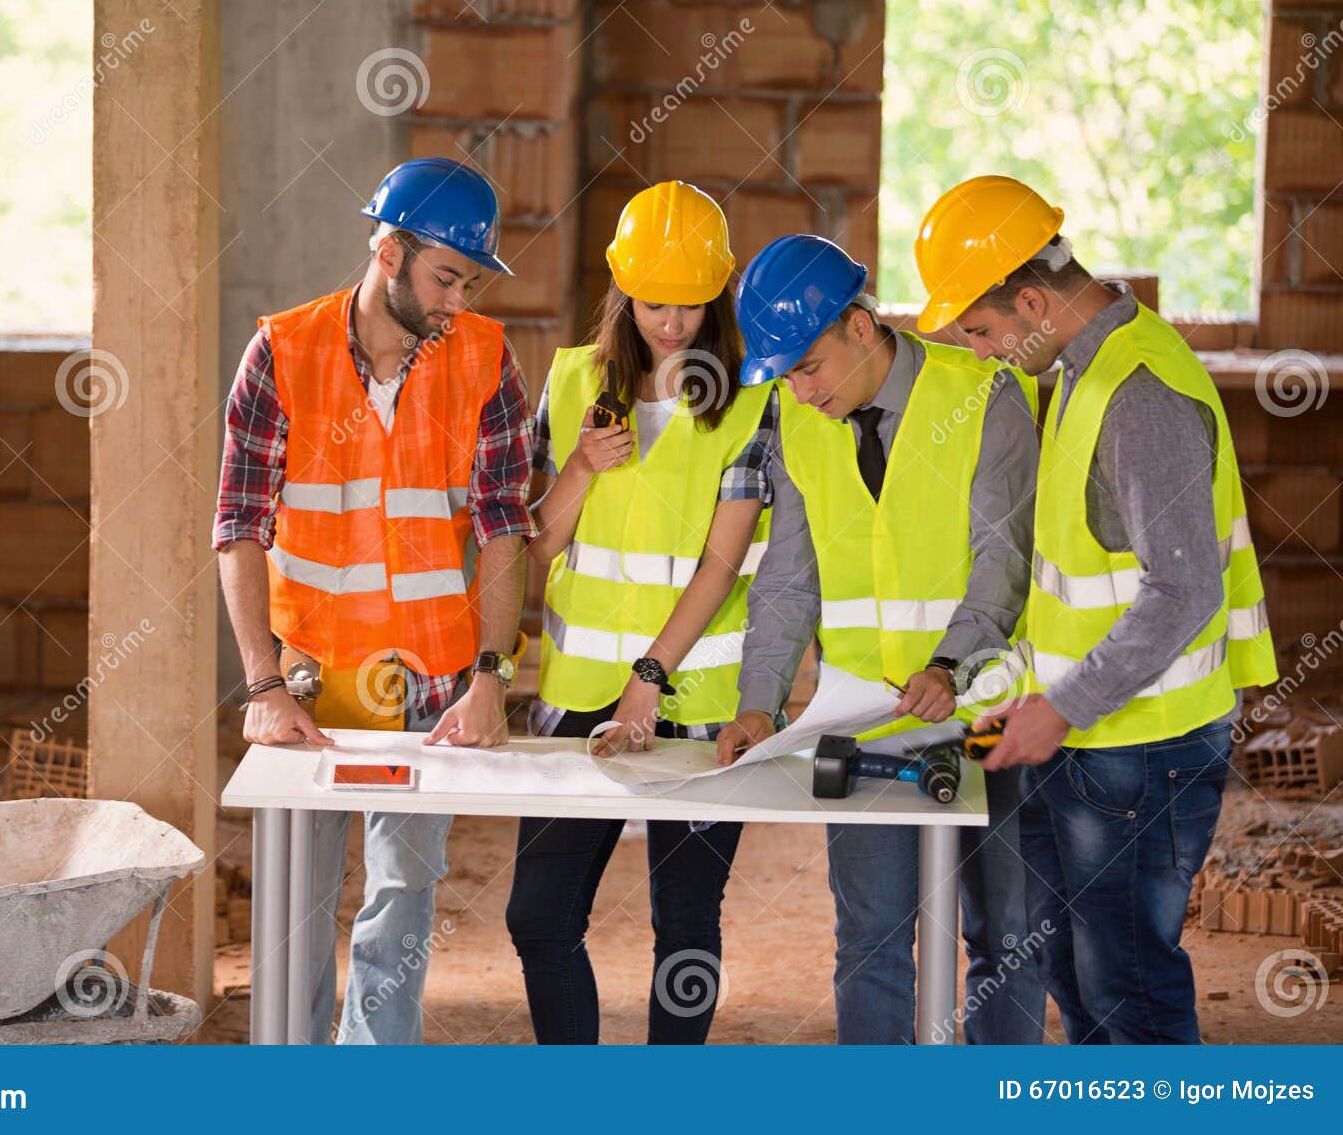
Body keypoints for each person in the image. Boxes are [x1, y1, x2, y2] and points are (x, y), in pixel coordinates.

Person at [913, 174, 1277, 1044]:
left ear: (1033, 300)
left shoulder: (1139, 392)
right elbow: (1076, 576)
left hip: (1143, 749)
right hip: (1093, 738)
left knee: (1131, 994)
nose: (980, 350)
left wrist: (1066, 706)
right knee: (1083, 981)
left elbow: (1185, 588)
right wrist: (1030, 690)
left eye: (982, 328)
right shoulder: (1082, 368)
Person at [213, 157, 535, 1044]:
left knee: (403, 895)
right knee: (297, 901)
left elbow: (506, 524)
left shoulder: (483, 356)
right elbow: (238, 525)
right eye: (444, 277)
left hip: (433, 680)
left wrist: (491, 674)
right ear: (388, 250)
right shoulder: (283, 351)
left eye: (470, 282)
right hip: (311, 678)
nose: (456, 303)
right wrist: (262, 685)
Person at [717, 234, 1046, 1044]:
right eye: (787, 374)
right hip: (865, 721)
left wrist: (950, 664)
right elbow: (790, 579)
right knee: (870, 939)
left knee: (1005, 933)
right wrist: (757, 705)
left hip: (990, 714)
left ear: (861, 328)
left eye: (809, 366)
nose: (800, 390)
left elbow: (1003, 558)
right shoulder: (798, 424)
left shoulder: (987, 396)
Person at [504, 181, 773, 1044]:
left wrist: (649, 676)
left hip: (693, 700)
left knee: (686, 925)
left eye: (693, 304)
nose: (673, 322)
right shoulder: (574, 378)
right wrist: (580, 466)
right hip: (575, 694)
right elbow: (534, 548)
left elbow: (722, 561)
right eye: (656, 301)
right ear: (624, 289)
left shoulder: (749, 401)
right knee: (538, 916)